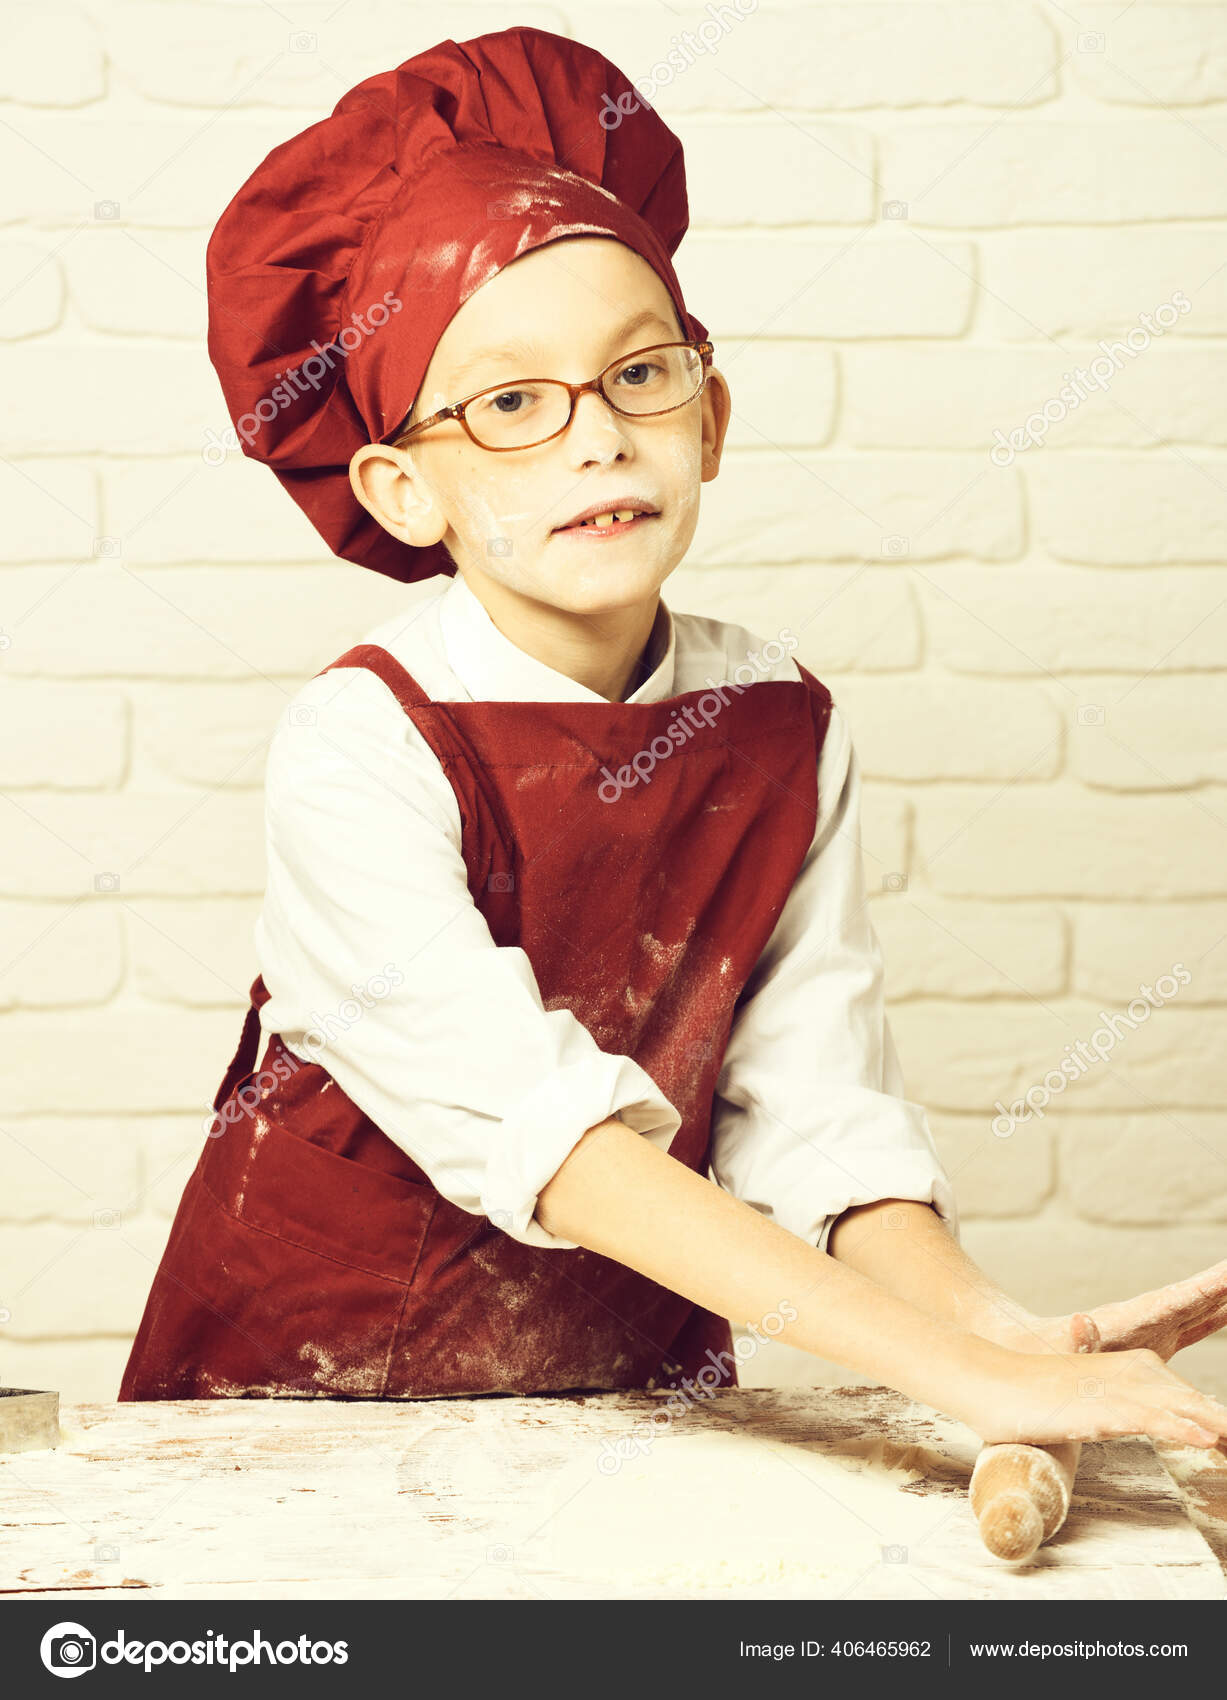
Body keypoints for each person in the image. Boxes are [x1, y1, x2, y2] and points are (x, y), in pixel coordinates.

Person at [120, 26, 1227, 1454]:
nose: (597, 438)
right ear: (400, 489)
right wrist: (970, 1389)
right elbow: (556, 1146)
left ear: (711, 416)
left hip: (624, 1403)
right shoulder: (363, 741)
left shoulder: (775, 726)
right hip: (300, 1407)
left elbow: (816, 1110)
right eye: (511, 403)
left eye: (640, 375)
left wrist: (978, 1323)